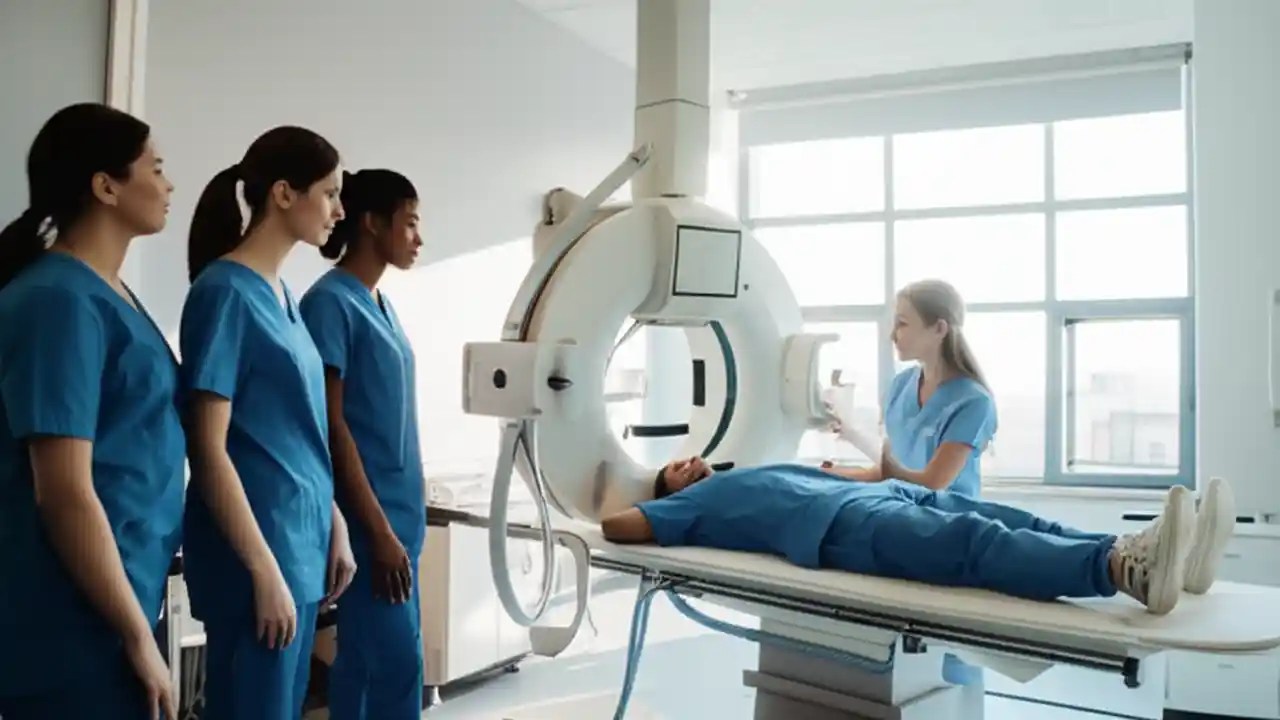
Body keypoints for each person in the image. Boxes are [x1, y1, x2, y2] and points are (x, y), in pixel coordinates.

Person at [0, 103, 183, 720]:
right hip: (71, 619)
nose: (168, 185)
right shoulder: (59, 302)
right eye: (155, 169)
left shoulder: (106, 292)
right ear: (105, 186)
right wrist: (135, 635)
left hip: (121, 596)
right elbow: (65, 491)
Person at [180, 126, 358, 720]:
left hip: (300, 546)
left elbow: (297, 431)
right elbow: (208, 449)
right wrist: (264, 568)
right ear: (284, 194)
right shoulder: (225, 293)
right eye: (329, 193)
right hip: (259, 556)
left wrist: (333, 519)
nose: (339, 210)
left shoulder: (280, 294)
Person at [601, 458, 1237, 617]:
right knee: (971, 541)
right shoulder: (688, 508)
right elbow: (613, 526)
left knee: (1012, 519)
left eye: (685, 460)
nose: (686, 464)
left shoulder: (746, 468)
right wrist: (641, 497)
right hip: (845, 529)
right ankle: (1123, 570)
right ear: (670, 492)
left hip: (872, 496)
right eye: (673, 471)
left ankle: (1170, 554)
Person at [299, 169, 425, 719]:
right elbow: (331, 426)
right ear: (372, 223)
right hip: (372, 528)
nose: (419, 238)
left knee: (384, 668)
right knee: (387, 670)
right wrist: (376, 533)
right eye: (412, 223)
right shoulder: (330, 304)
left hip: (402, 521)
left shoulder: (380, 305)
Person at [831, 279, 995, 498]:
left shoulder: (973, 402)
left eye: (902, 324)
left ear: (939, 328)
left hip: (948, 521)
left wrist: (887, 472)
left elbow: (932, 483)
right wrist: (829, 475)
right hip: (900, 511)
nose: (892, 335)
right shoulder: (900, 386)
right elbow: (889, 473)